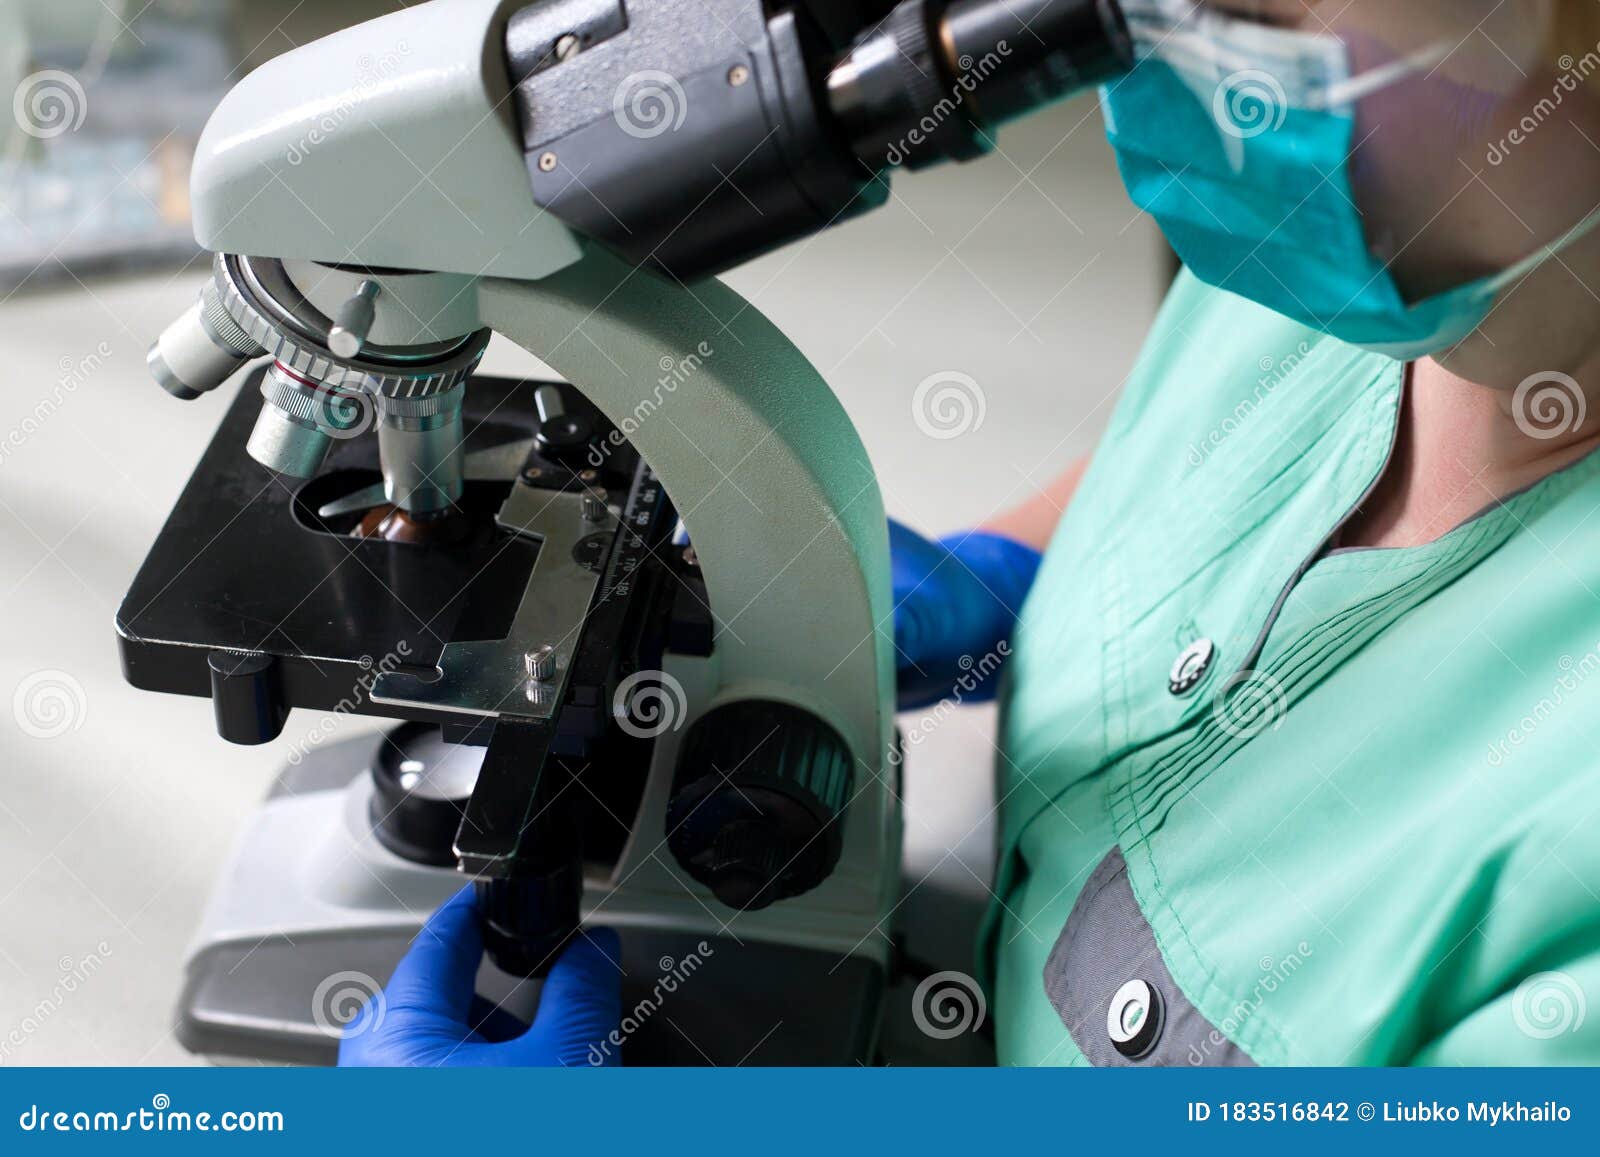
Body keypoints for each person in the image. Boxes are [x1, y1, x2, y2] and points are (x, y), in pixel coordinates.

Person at [344, 0, 1600, 1066]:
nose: (1152, 44)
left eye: (1241, 14)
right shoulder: (1393, 272)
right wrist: (1019, 565)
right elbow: (1223, 452)